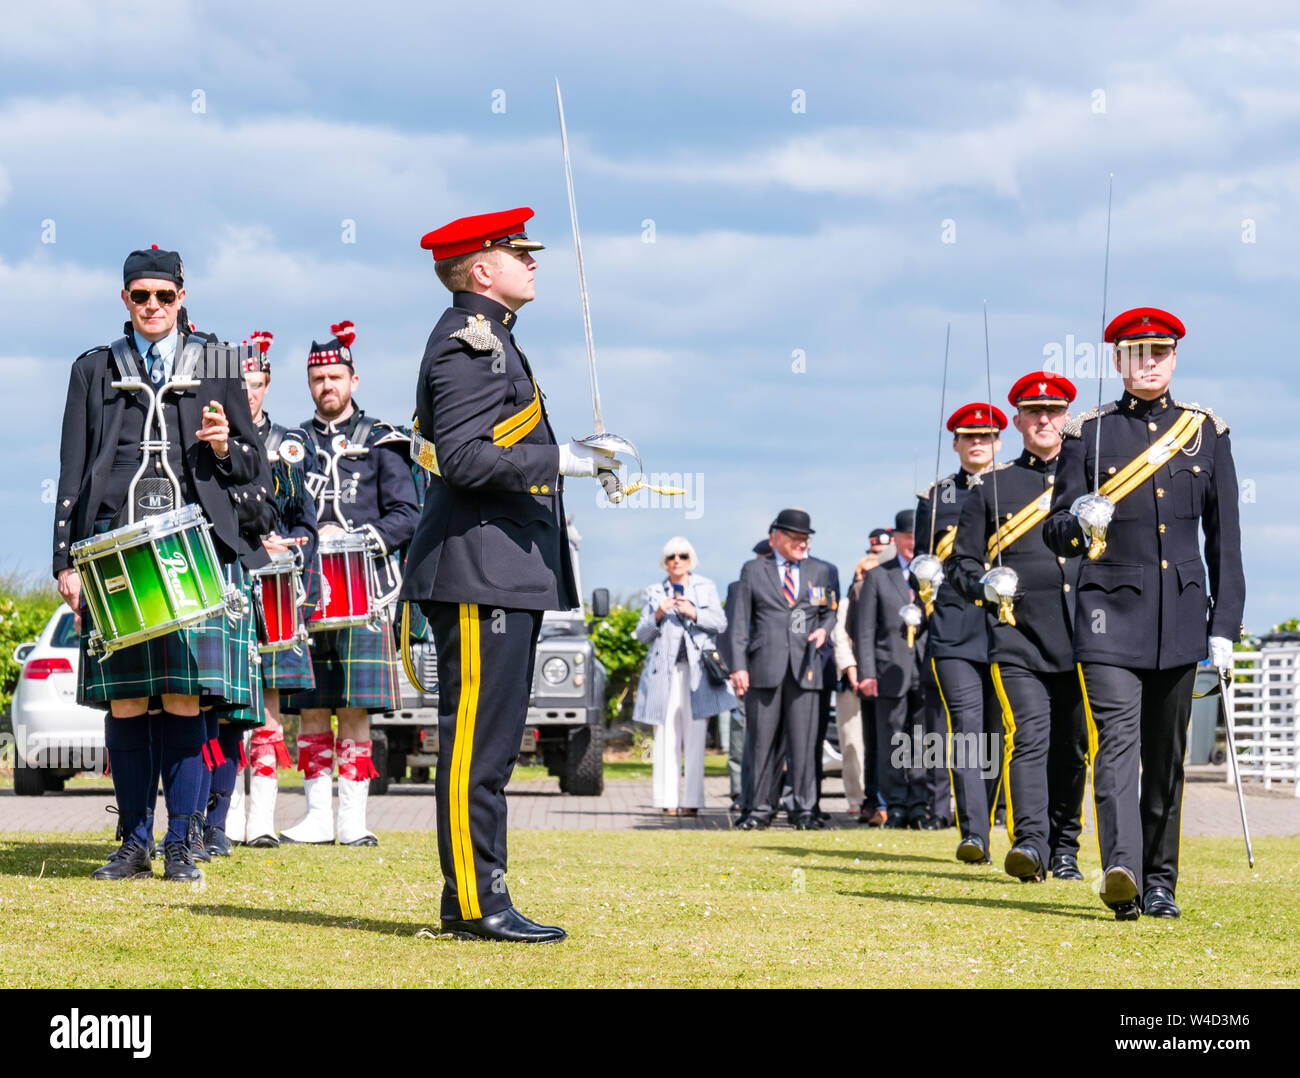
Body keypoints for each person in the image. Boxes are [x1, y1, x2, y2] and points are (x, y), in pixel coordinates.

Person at [401, 207, 620, 943]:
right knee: (475, 748)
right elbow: (462, 460)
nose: (534, 262)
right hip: (475, 571)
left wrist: (576, 456)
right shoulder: (469, 345)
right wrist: (567, 460)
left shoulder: (494, 341)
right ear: (481, 270)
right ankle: (475, 902)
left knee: (489, 747)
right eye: (518, 252)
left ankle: (473, 895)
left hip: (499, 569)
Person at [53, 246, 270, 881]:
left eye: (163, 296)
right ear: (125, 299)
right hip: (114, 549)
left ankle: (182, 843)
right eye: (139, 296)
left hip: (194, 551)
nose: (152, 307)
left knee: (182, 698)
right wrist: (65, 559)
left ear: (183, 296)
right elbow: (71, 468)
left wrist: (227, 447)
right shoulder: (94, 369)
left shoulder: (220, 361)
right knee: (125, 700)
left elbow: (253, 467)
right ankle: (132, 841)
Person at [1044, 307, 1244, 920]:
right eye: (1135, 353)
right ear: (1117, 361)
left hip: (1182, 618)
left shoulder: (1205, 432)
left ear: (1174, 358)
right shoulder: (1088, 434)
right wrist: (1080, 523)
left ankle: (1161, 882)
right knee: (1115, 747)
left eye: (1158, 352)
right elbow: (1055, 531)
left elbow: (1225, 539)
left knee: (1165, 758)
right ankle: (1121, 869)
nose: (1148, 363)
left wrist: (1225, 628)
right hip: (1107, 616)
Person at [280, 323, 419, 846]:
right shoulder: (291, 445)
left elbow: (408, 514)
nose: (326, 386)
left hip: (369, 591)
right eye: (317, 378)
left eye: (335, 376)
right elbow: (281, 511)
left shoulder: (384, 441)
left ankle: (353, 820)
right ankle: (317, 816)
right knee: (312, 706)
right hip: (307, 590)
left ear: (353, 380)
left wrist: (361, 538)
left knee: (354, 708)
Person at [948, 372, 1088, 882]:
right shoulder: (993, 487)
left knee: (1073, 746)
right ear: (1019, 420)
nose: (1044, 419)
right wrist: (988, 583)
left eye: (1053, 411)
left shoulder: (1092, 481)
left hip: (1084, 634)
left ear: (1067, 417)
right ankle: (1030, 843)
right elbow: (959, 565)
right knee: (1027, 735)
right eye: (1034, 411)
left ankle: (1065, 846)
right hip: (1018, 634)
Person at [215, 333, 319, 849]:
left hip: (276, 587)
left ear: (268, 386)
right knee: (228, 700)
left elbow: (306, 521)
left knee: (270, 703)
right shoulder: (213, 440)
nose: (249, 394)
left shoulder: (289, 444)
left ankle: (262, 817)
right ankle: (227, 812)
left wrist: (293, 543)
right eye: (242, 385)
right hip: (229, 579)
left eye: (257, 385)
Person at [916, 403, 1007, 861]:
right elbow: (922, 566)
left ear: (999, 443)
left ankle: (995, 817)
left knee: (1000, 733)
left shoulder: (1015, 487)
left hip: (1006, 624)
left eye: (986, 436)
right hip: (954, 626)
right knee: (968, 733)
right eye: (969, 437)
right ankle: (974, 834)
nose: (978, 443)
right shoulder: (934, 499)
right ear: (955, 443)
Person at [727, 509, 838, 830]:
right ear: (776, 537)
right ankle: (758, 811)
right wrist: (738, 667)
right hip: (764, 668)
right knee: (761, 743)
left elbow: (829, 609)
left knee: (804, 745)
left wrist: (824, 629)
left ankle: (805, 810)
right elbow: (739, 624)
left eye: (806, 538)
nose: (802, 544)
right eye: (795, 538)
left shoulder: (820, 571)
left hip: (806, 669)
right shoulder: (753, 570)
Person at [632, 538, 734, 816]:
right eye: (671, 557)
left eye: (683, 556)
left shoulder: (705, 587)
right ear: (665, 562)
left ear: (692, 560)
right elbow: (641, 635)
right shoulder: (654, 591)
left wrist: (694, 612)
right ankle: (667, 801)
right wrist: (659, 613)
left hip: (697, 673)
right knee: (664, 736)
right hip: (664, 673)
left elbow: (720, 623)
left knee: (696, 736)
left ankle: (692, 802)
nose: (677, 561)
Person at [853, 510, 929, 828]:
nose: (912, 543)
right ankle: (895, 805)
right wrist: (868, 671)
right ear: (896, 539)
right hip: (888, 671)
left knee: (924, 741)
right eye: (907, 537)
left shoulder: (932, 574)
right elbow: (865, 630)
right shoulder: (878, 576)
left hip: (926, 670)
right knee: (893, 741)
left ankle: (919, 805)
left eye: (917, 537)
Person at [718, 538, 771, 811]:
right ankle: (739, 793)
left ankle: (769, 794)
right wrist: (734, 670)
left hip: (771, 674)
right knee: (740, 736)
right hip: (744, 675)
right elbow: (728, 634)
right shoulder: (737, 588)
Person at [833, 554, 877, 822]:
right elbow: (841, 637)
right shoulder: (848, 602)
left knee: (876, 743)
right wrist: (851, 669)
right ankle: (855, 796)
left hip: (878, 681)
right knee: (851, 741)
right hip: (852, 681)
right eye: (864, 573)